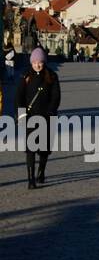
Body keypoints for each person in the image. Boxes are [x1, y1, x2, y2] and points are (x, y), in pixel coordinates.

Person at [18, 46, 61, 189]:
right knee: (30, 149)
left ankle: (41, 171)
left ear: (44, 62)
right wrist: (21, 114)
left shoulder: (52, 76)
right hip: (30, 117)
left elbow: (56, 97)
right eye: (35, 62)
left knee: (44, 149)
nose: (37, 64)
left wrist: (51, 111)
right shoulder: (26, 76)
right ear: (31, 62)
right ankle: (30, 179)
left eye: (40, 62)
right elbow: (19, 97)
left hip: (47, 117)